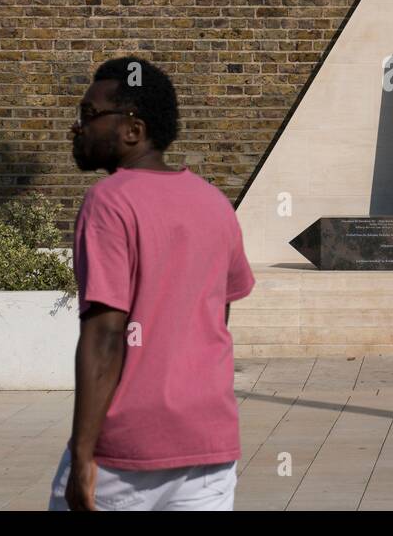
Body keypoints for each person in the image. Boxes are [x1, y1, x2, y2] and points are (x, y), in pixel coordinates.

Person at [48, 56, 256, 511]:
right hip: (209, 446)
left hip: (125, 453)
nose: (77, 128)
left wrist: (82, 456)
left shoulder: (108, 201)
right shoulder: (215, 203)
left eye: (88, 115)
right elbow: (215, 316)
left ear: (132, 130)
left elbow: (105, 335)